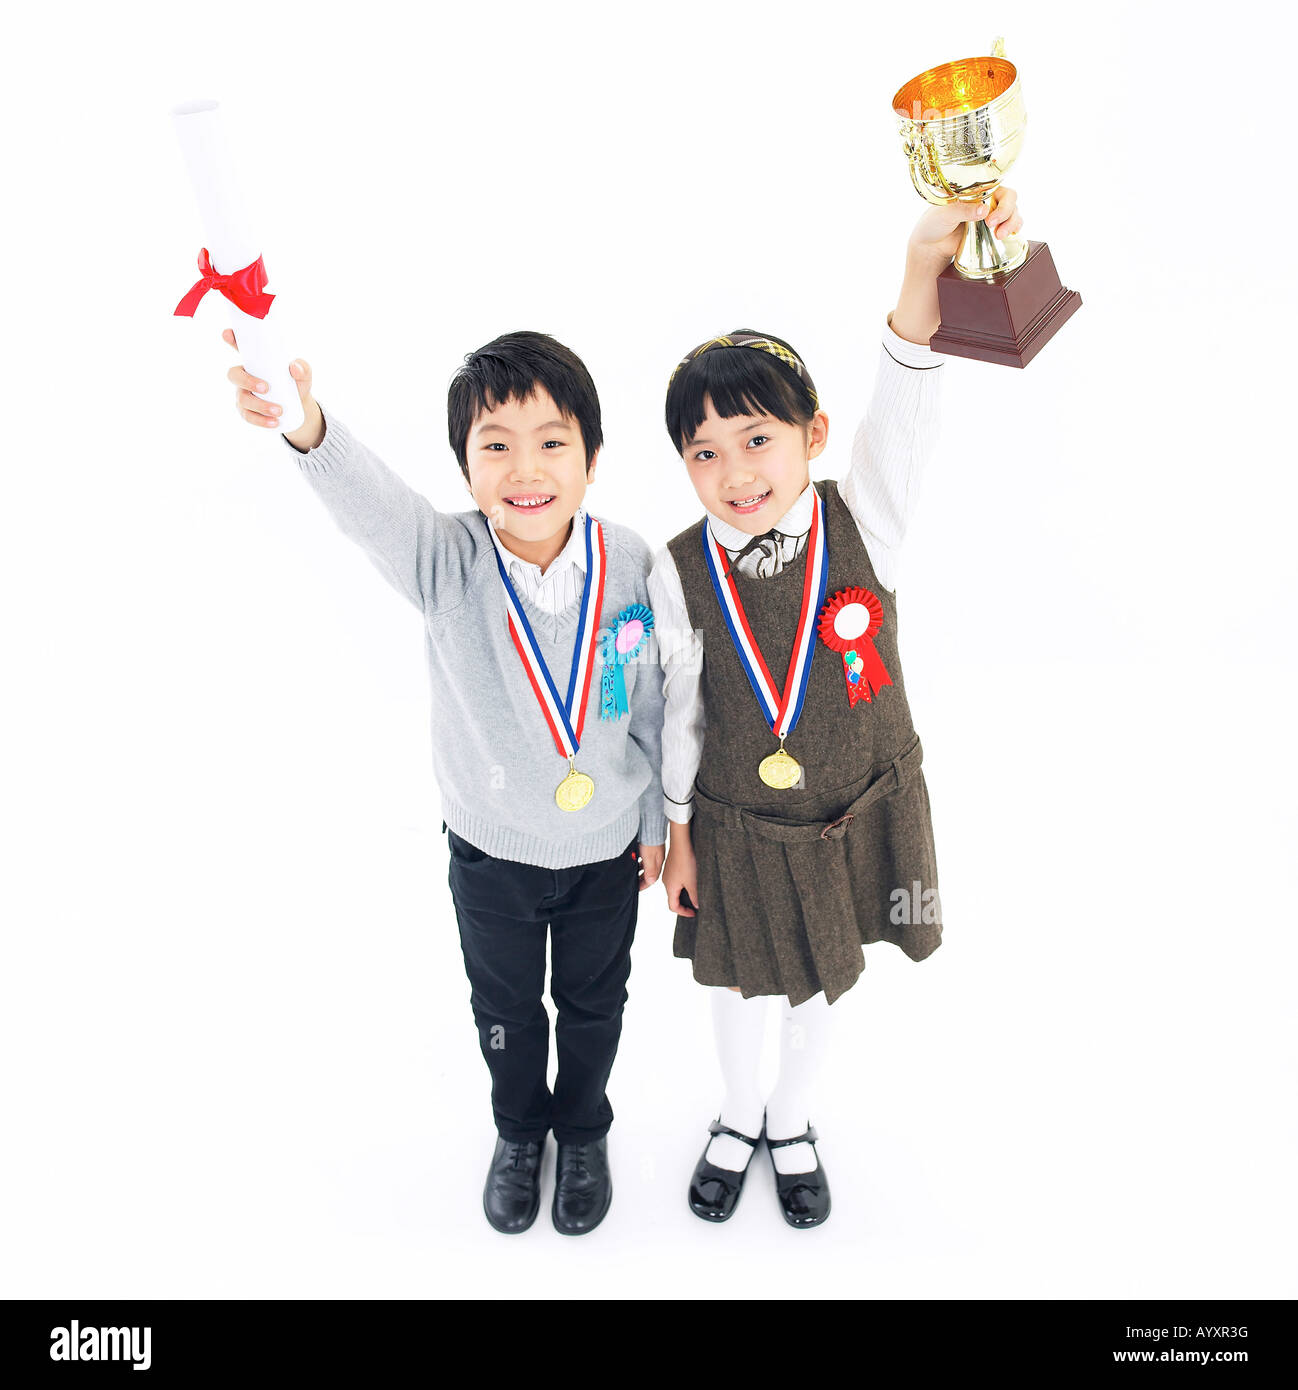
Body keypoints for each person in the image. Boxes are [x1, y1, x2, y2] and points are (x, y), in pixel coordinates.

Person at [223, 328, 666, 1236]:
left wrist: (659, 823)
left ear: (593, 458)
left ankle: (581, 1130)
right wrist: (305, 422)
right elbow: (370, 504)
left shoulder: (632, 562)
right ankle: (518, 1129)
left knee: (594, 1002)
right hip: (491, 852)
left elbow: (652, 704)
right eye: (494, 445)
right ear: (465, 469)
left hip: (608, 849)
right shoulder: (447, 562)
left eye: (552, 441)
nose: (525, 467)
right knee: (503, 1004)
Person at [649, 189, 1024, 1228]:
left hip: (854, 810)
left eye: (757, 439)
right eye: (704, 453)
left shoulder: (868, 522)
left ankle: (792, 1117)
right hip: (731, 823)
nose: (734, 473)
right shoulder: (673, 570)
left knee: (826, 979)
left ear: (813, 432)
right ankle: (733, 1113)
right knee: (733, 984)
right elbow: (676, 716)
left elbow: (906, 407)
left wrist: (919, 272)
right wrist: (672, 832)